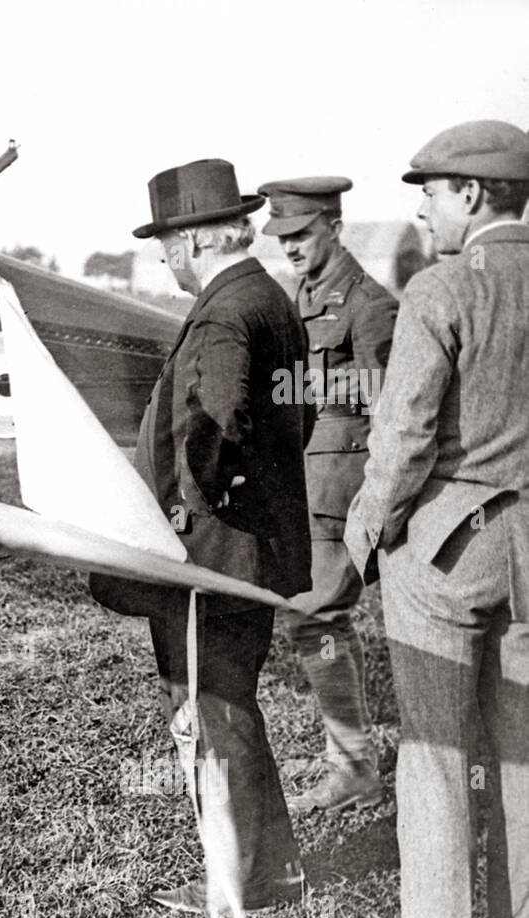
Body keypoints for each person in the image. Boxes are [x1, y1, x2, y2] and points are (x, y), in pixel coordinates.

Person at [91, 158, 316, 913]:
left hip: (211, 551)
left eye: (166, 246)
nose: (166, 261)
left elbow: (219, 422)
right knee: (230, 702)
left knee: (209, 707)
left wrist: (196, 506)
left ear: (192, 240)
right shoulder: (269, 299)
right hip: (255, 546)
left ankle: (239, 878)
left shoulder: (223, 313)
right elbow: (301, 413)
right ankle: (272, 868)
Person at [341, 120, 529, 918]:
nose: (423, 209)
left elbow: (405, 437)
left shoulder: (442, 287)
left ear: (473, 194)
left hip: (449, 553)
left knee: (435, 751)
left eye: (432, 192)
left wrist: (363, 537)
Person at [256, 177, 398, 813]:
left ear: (334, 228)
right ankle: (351, 762)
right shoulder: (303, 295)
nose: (289, 246)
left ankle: (355, 769)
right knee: (312, 619)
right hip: (307, 485)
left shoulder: (368, 305)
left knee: (316, 617)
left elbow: (393, 408)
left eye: (301, 234)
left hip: (342, 491)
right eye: (281, 236)